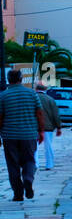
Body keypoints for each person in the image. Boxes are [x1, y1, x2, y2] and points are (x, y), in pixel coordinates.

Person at [0, 68, 47, 202]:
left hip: (9, 136)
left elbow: (0, 117)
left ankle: (18, 194)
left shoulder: (3, 96)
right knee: (29, 160)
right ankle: (28, 179)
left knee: (12, 164)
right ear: (21, 79)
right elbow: (39, 113)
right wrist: (41, 131)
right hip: (29, 135)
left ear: (9, 80)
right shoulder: (32, 94)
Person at [34, 84, 62, 170]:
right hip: (48, 127)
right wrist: (58, 127)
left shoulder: (33, 98)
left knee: (34, 147)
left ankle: (35, 164)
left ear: (36, 89)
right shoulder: (50, 100)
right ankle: (49, 164)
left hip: (35, 127)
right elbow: (55, 115)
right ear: (45, 89)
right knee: (48, 146)